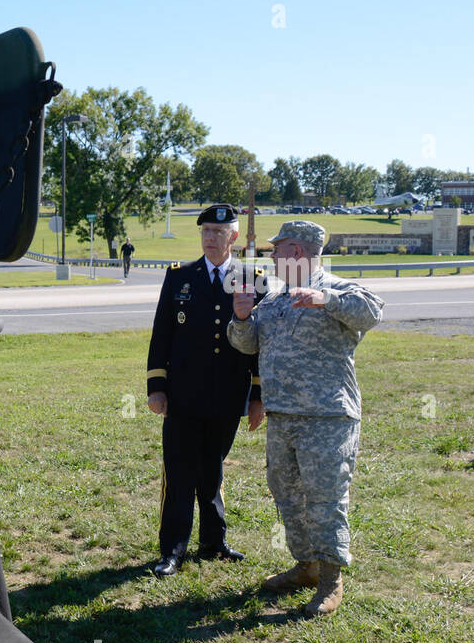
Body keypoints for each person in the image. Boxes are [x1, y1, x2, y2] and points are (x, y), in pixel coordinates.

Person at [227, 220, 384, 615]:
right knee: (288, 496)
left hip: (327, 417)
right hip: (283, 417)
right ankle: (306, 566)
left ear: (297, 251)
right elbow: (247, 345)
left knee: (325, 498)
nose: (272, 255)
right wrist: (242, 318)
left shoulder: (339, 288)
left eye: (277, 249)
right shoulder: (275, 297)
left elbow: (372, 313)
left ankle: (332, 581)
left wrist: (325, 300)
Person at [146, 203, 265, 577]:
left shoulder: (253, 278)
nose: (210, 238)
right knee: (180, 471)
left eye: (218, 233)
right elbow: (162, 334)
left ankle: (214, 542)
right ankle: (172, 551)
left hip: (228, 395)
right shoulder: (180, 276)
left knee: (212, 469)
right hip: (183, 395)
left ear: (233, 237)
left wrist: (258, 397)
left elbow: (262, 343)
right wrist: (156, 387)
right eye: (205, 233)